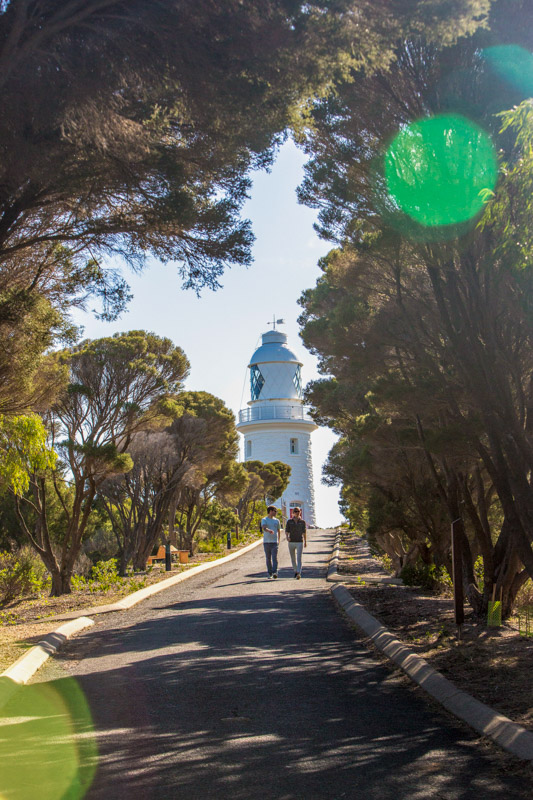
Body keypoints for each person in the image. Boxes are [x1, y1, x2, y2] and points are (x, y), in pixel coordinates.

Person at [285, 507, 307, 579]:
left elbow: (304, 532)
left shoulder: (302, 522)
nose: (297, 512)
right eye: (295, 511)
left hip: (299, 541)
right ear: (293, 512)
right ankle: (295, 570)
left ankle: (299, 572)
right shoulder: (289, 521)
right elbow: (287, 530)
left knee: (299, 558)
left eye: (298, 511)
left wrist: (305, 541)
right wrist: (287, 537)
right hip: (291, 541)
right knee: (293, 558)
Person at [261, 505, 281, 579]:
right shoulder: (264, 519)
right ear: (270, 511)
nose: (276, 512)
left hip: (274, 542)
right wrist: (268, 530)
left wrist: (278, 540)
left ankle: (275, 572)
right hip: (266, 542)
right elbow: (263, 527)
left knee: (274, 558)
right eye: (275, 511)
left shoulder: (277, 521)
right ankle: (270, 573)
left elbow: (279, 530)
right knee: (268, 558)